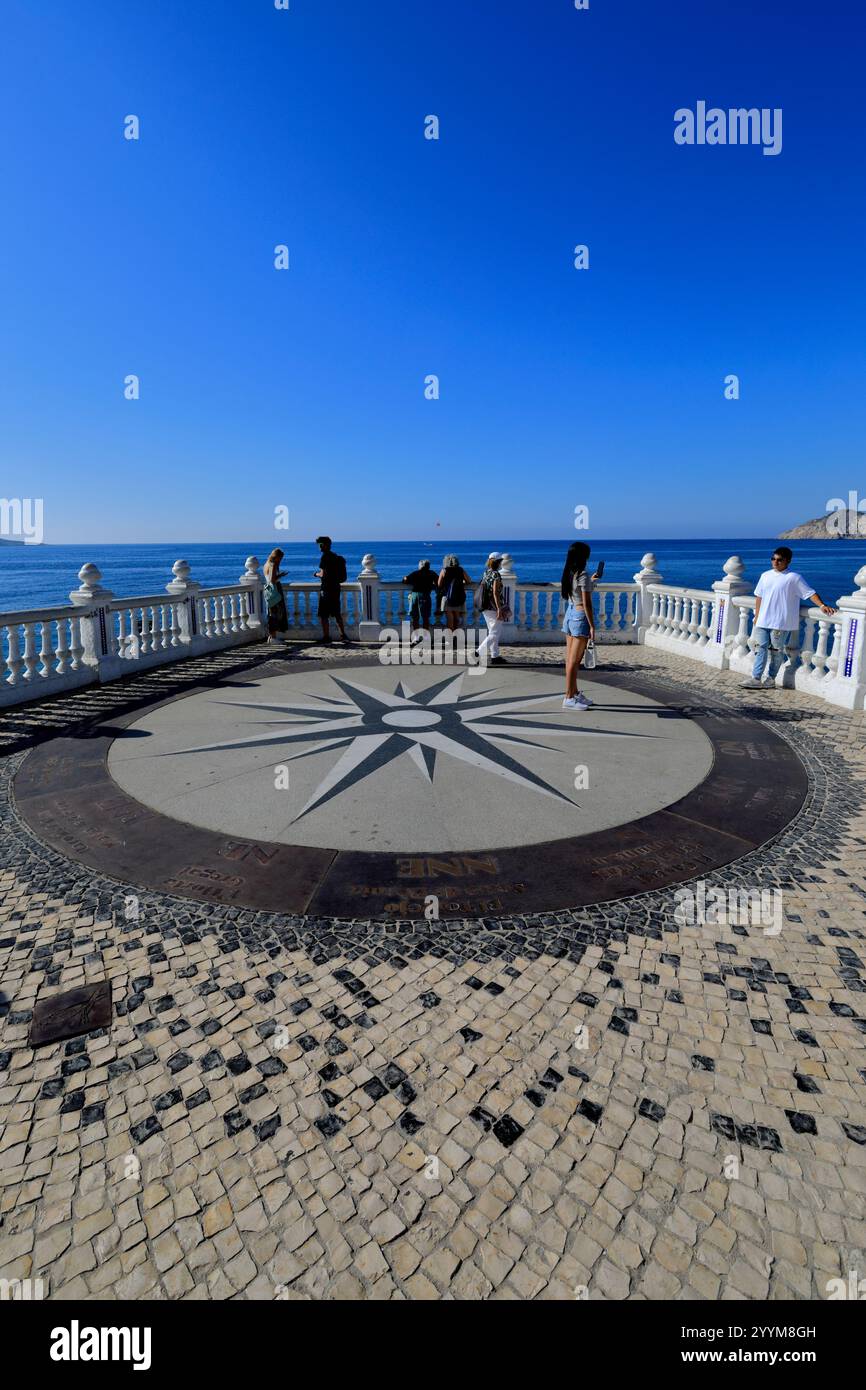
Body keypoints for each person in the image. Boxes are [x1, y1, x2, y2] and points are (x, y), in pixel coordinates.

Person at [741, 546, 836, 689]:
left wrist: (822, 605)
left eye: (779, 560)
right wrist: (757, 616)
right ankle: (755, 678)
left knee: (775, 652)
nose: (775, 562)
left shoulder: (794, 577)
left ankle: (771, 679)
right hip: (762, 621)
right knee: (759, 648)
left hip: (780, 622)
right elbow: (759, 596)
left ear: (788, 561)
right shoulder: (765, 575)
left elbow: (810, 593)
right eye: (773, 559)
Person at [560, 541, 597, 709]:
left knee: (570, 659)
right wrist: (592, 626)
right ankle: (568, 697)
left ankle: (574, 693)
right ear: (584, 556)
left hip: (570, 614)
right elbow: (587, 603)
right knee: (574, 661)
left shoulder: (569, 572)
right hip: (580, 617)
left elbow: (575, 594)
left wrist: (592, 582)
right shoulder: (583, 575)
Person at [314, 536, 350, 644]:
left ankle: (326, 637)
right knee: (337, 613)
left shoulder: (324, 557)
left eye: (320, 544)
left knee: (324, 614)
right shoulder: (336, 557)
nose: (319, 547)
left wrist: (316, 574)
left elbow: (323, 574)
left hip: (326, 589)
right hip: (335, 588)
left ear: (325, 545)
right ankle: (343, 635)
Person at [477, 552, 509, 666]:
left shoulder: (486, 573)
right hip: (494, 607)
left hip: (485, 607)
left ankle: (495, 656)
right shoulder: (496, 575)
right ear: (499, 562)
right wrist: (499, 609)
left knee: (493, 632)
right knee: (495, 633)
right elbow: (495, 592)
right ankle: (478, 652)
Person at [438, 555, 473, 631]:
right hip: (458, 597)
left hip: (447, 597)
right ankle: (456, 638)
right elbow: (469, 581)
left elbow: (439, 584)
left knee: (450, 620)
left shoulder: (444, 570)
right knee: (456, 619)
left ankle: (450, 638)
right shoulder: (460, 570)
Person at [403, 558, 438, 632]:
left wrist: (405, 578)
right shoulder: (432, 573)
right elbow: (438, 582)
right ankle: (426, 636)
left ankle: (416, 636)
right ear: (428, 566)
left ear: (420, 566)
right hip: (425, 595)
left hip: (415, 596)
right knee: (425, 617)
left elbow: (405, 580)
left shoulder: (415, 573)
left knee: (415, 617)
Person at [263, 548, 289, 644]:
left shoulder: (266, 564)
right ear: (277, 557)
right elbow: (272, 580)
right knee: (276, 613)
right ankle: (273, 638)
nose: (280, 560)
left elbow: (268, 579)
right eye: (280, 558)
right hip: (275, 590)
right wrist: (281, 575)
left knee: (271, 612)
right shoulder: (273, 564)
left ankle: (271, 637)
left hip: (268, 590)